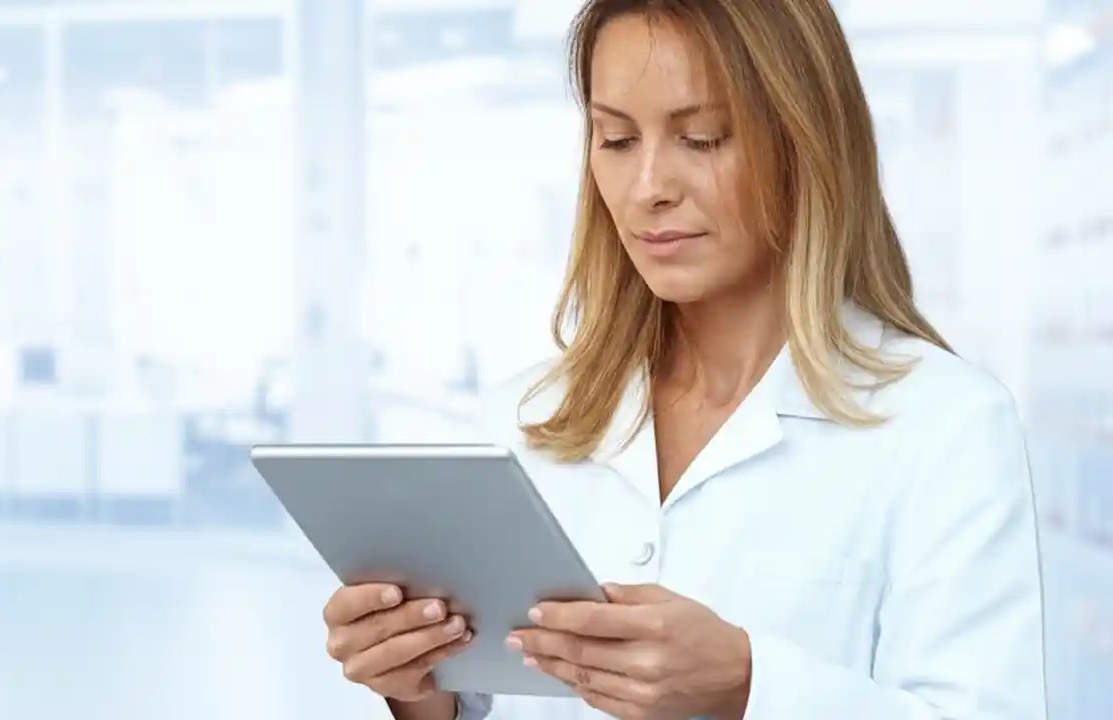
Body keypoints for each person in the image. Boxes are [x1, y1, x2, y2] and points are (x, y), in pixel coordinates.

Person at [320, 1, 1046, 718]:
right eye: (616, 140)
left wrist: (747, 682)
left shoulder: (944, 427)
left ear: (807, 141)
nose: (649, 190)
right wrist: (417, 690)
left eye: (701, 138)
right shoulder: (523, 423)